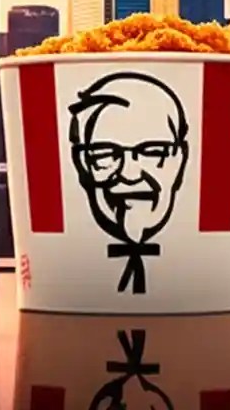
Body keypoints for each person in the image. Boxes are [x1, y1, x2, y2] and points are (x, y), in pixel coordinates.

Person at [68, 72, 190, 294]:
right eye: (105, 153)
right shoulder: (66, 269)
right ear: (82, 164)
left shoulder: (202, 276)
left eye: (153, 152)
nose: (130, 174)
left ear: (180, 160)